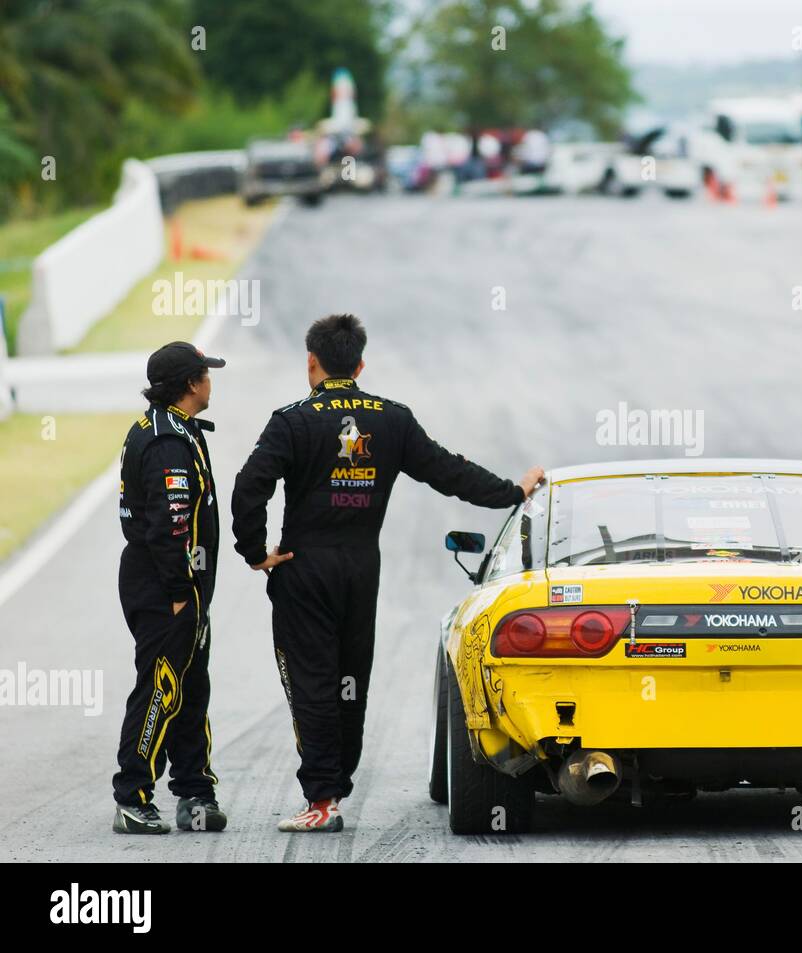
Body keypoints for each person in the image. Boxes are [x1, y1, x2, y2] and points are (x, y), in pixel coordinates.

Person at [230, 313, 543, 832]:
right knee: (351, 679)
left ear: (311, 362)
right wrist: (511, 491)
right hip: (360, 569)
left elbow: (249, 486)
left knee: (311, 683)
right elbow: (449, 471)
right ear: (359, 365)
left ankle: (322, 798)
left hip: (305, 569)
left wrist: (253, 551)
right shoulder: (392, 419)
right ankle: (335, 787)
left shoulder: (291, 421)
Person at [112, 341, 227, 834]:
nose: (211, 381)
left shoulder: (174, 428)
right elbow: (170, 524)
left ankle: (195, 793)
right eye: (206, 373)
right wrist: (182, 591)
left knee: (191, 686)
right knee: (161, 687)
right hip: (165, 586)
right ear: (190, 384)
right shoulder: (166, 442)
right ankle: (131, 797)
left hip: (178, 584)